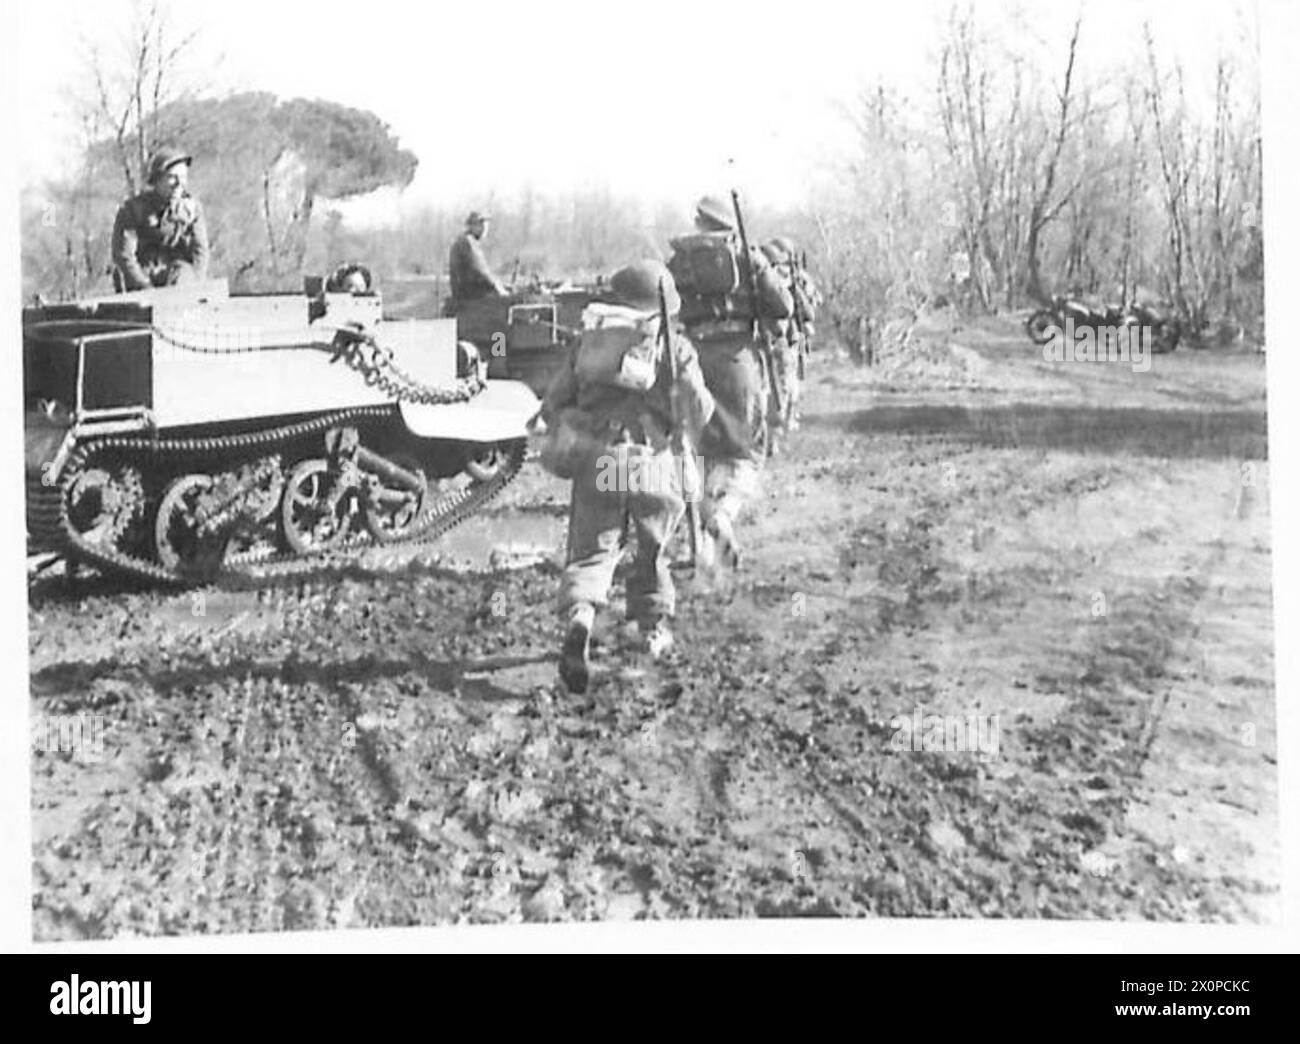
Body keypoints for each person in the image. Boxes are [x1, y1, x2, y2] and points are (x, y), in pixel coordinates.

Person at [539, 260, 714, 695]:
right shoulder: (676, 347)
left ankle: (581, 620)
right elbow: (699, 413)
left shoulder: (589, 341)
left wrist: (583, 424)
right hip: (652, 464)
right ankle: (652, 628)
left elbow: (553, 404)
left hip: (600, 460)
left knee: (591, 553)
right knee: (652, 551)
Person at [667, 194, 792, 566]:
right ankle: (724, 515)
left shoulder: (678, 261)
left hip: (693, 360)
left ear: (700, 222)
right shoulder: (747, 257)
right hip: (739, 363)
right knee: (746, 453)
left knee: (697, 452)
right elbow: (783, 306)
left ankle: (698, 541)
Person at [111, 145, 210, 292]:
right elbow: (124, 256)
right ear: (157, 180)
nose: (179, 183)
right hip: (141, 279)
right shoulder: (133, 209)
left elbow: (200, 253)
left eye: (183, 177)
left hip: (177, 280)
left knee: (184, 274)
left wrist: (195, 283)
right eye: (172, 177)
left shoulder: (191, 209)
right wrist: (146, 287)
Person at [445, 210, 506, 314]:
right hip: (472, 299)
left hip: (468, 298)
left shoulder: (466, 242)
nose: (484, 228)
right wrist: (498, 288)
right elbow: (480, 272)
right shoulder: (468, 243)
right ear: (472, 226)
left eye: (485, 224)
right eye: (481, 224)